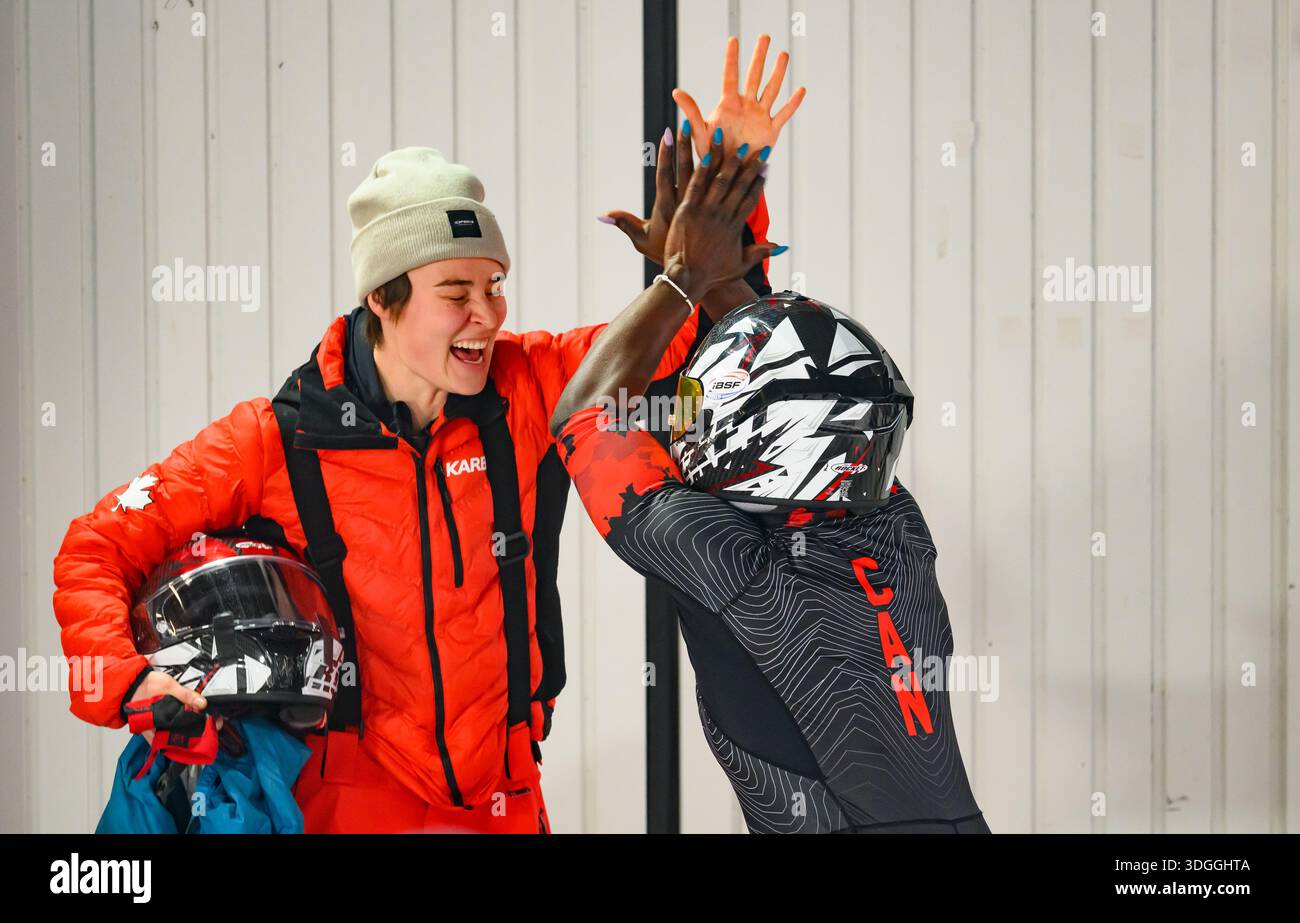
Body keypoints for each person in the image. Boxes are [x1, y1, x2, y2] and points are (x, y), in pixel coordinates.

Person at [52, 36, 804, 833]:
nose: (488, 313)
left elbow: (689, 342)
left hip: (503, 793)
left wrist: (733, 188)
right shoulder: (278, 438)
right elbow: (95, 546)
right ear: (383, 295)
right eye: (456, 291)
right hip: (353, 798)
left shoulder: (529, 384)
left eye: (493, 285)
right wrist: (130, 683)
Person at [550, 130, 991, 834]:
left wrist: (683, 277)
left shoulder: (729, 561)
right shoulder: (898, 525)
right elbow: (802, 388)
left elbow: (584, 412)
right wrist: (719, 274)